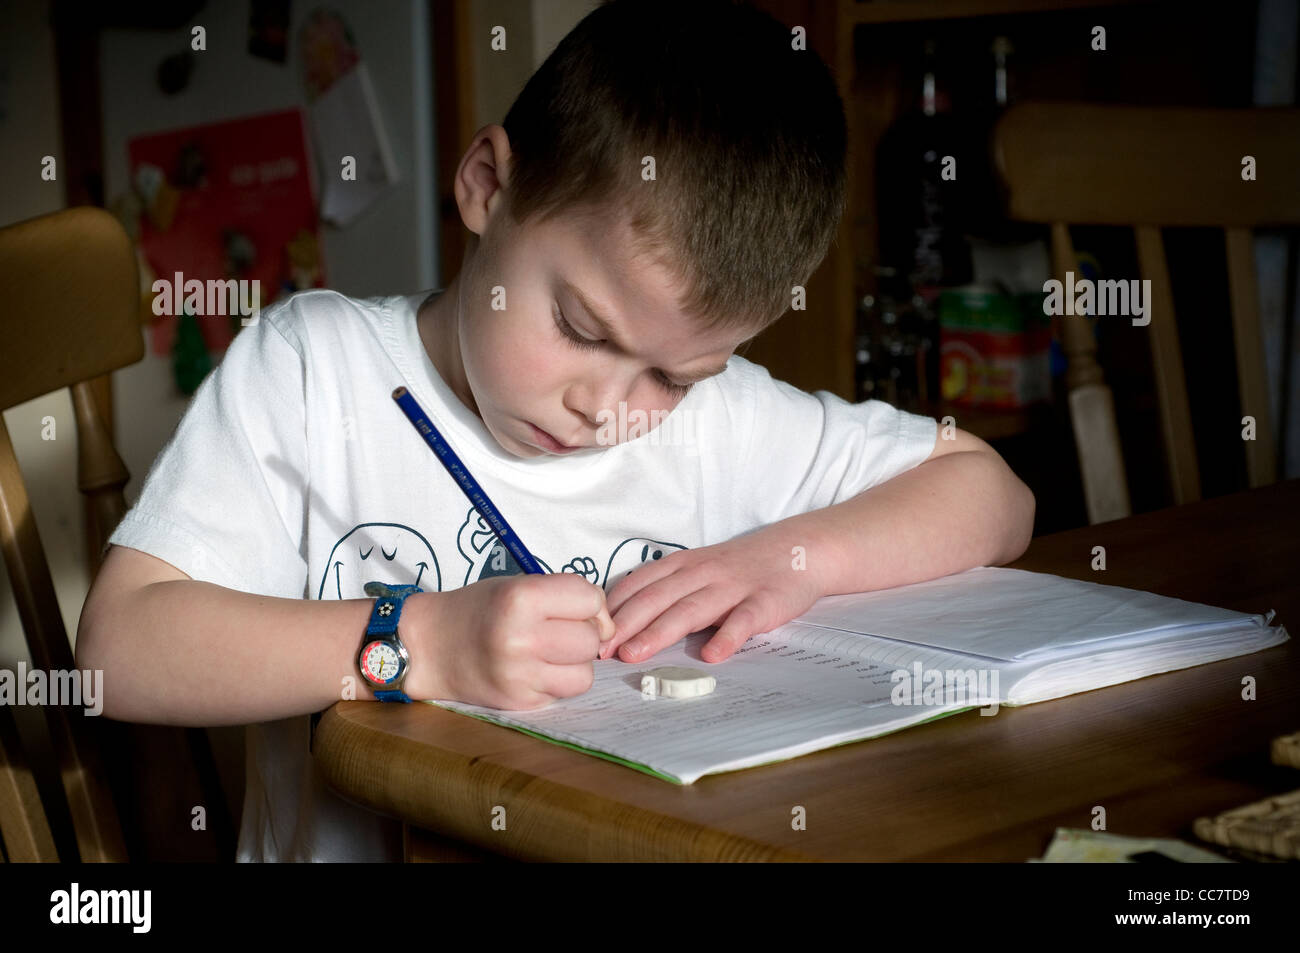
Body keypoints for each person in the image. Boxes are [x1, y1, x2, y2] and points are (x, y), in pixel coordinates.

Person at [75, 0, 1034, 862]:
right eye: (579, 327)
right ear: (488, 185)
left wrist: (795, 559)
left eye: (674, 373)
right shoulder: (313, 371)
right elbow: (119, 650)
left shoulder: (723, 420)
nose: (606, 403)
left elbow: (992, 493)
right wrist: (426, 643)